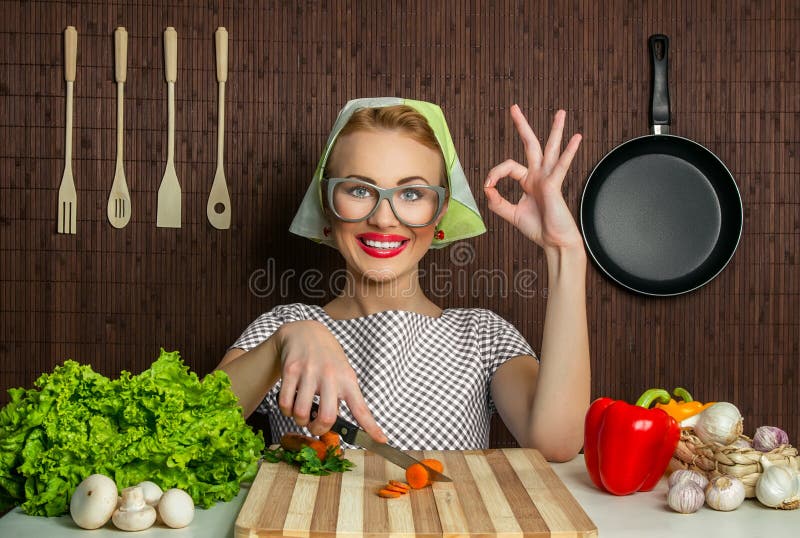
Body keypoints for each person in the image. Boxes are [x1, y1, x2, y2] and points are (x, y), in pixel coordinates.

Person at [216, 97, 589, 461]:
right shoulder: (282, 329)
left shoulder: (482, 337)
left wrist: (565, 252)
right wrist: (282, 344)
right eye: (359, 190)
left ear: (440, 211)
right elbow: (192, 434)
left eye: (411, 193)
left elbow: (557, 443)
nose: (384, 218)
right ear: (327, 205)